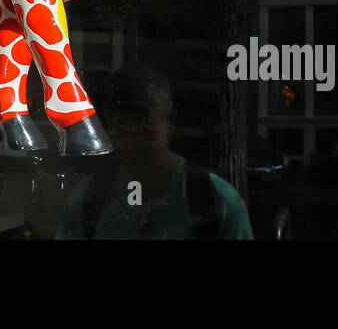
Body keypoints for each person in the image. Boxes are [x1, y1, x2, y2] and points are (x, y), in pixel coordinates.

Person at [55, 66, 253, 239]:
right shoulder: (217, 200)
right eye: (122, 125)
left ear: (170, 124)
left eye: (141, 123)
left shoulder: (216, 200)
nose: (132, 136)